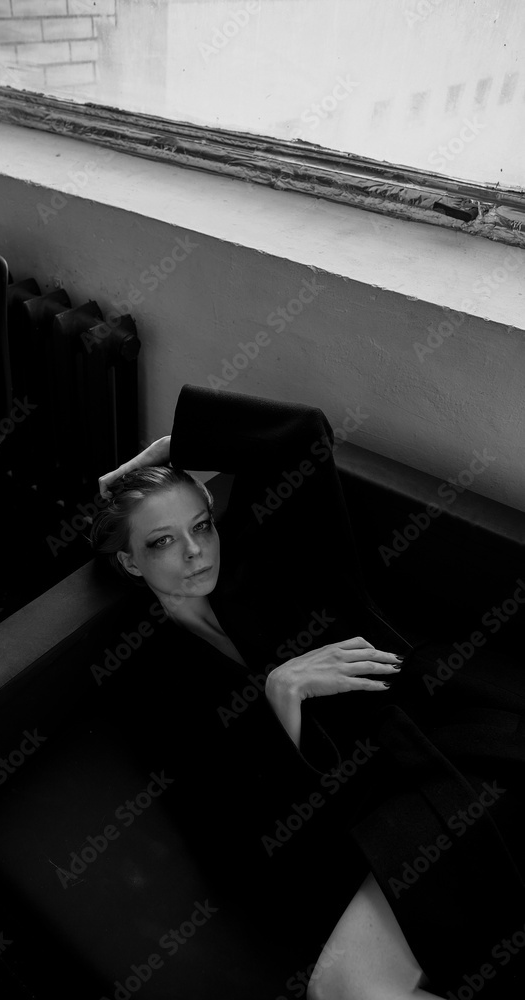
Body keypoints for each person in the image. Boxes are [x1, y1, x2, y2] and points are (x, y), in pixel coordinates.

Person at [89, 383, 525, 1000]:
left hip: (438, 743)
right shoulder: (150, 672)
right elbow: (227, 812)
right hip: (351, 823)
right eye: (162, 542)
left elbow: (301, 436)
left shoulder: (266, 570)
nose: (194, 552)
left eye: (202, 525)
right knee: (346, 987)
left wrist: (168, 449)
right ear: (131, 563)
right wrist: (279, 697)